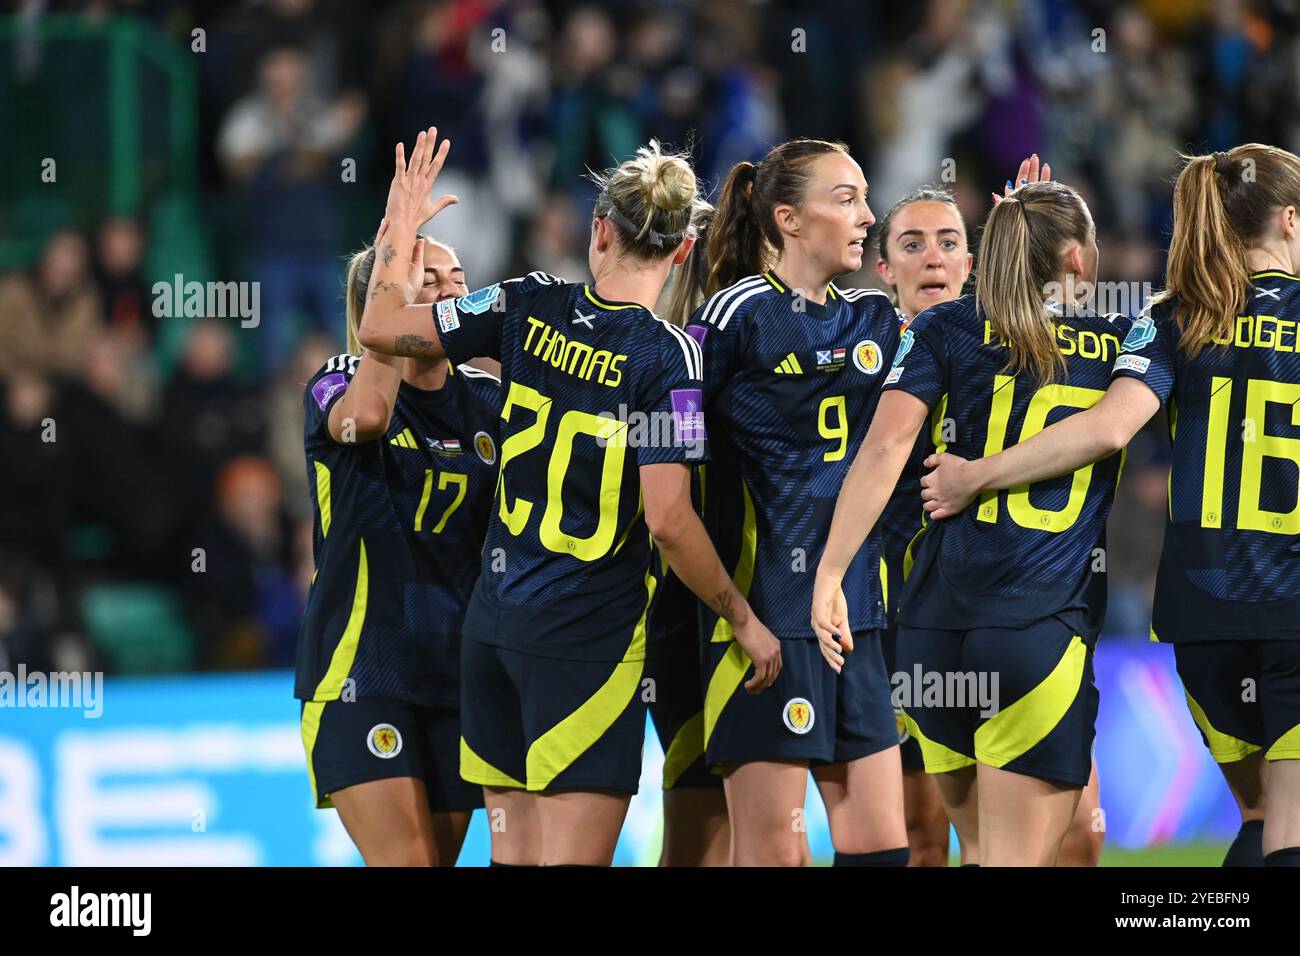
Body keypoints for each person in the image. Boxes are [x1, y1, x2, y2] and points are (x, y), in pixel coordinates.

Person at [356, 129, 782, 866]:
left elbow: (381, 327)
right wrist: (741, 617)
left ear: (600, 231)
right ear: (683, 251)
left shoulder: (525, 302)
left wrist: (400, 232)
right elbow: (671, 519)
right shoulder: (667, 359)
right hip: (586, 644)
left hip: (491, 639)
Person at [919, 145, 1300, 867]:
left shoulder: (1174, 316)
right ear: (1288, 218)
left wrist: (978, 474)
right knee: (1290, 826)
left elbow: (1107, 426)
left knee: (1256, 816)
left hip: (1202, 621)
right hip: (1290, 600)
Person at [813, 179, 1127, 866]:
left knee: (1070, 836)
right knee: (929, 838)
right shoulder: (1127, 333)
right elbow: (1108, 427)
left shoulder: (942, 334)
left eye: (950, 242)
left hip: (934, 626)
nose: (933, 259)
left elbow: (885, 446)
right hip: (944, 616)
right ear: (883, 268)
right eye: (913, 244)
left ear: (978, 263)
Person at [688, 139, 908, 867]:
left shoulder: (874, 321)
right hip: (767, 618)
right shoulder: (734, 314)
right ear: (787, 218)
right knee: (773, 856)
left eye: (865, 198)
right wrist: (732, 614)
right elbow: (667, 447)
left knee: (879, 849)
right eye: (846, 199)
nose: (867, 217)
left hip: (858, 618)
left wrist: (1017, 241)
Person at [297, 178, 502, 865]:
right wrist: (390, 263)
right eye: (427, 278)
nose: (449, 293)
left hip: (456, 671)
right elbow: (372, 417)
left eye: (458, 280)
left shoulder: (491, 401)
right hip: (362, 670)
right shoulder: (337, 379)